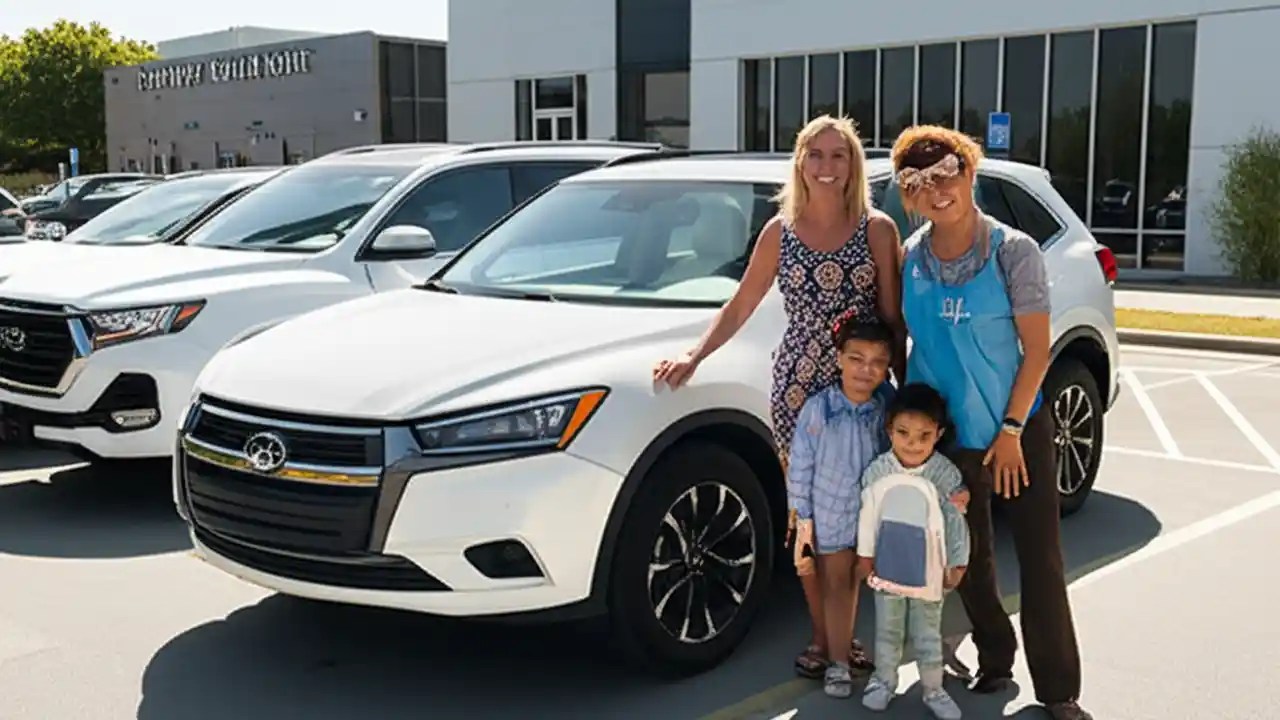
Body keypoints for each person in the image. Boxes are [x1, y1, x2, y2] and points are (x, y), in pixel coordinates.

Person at [653, 114, 906, 679]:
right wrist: (695, 356)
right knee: (808, 518)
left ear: (853, 165)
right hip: (796, 389)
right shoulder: (779, 231)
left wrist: (904, 397)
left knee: (857, 520)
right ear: (800, 162)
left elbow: (893, 319)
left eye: (838, 155)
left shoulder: (878, 230)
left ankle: (844, 634)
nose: (826, 166)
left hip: (860, 392)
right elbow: (741, 303)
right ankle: (822, 637)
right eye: (815, 154)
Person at [889, 125, 1091, 720]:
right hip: (947, 439)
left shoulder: (1013, 251)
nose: (937, 191)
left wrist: (1011, 431)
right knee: (968, 559)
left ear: (969, 172)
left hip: (1015, 432)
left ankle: (1059, 690)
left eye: (946, 175)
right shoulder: (911, 257)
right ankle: (995, 658)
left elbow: (1037, 351)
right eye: (918, 183)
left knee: (1040, 559)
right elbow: (907, 343)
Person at [786, 316, 894, 697]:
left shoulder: (883, 411)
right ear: (839, 359)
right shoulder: (819, 410)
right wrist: (804, 518)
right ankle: (838, 666)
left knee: (856, 582)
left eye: (877, 362)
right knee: (835, 585)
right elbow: (800, 465)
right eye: (856, 359)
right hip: (829, 513)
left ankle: (846, 648)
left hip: (866, 515)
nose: (866, 370)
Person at [855, 382, 970, 718]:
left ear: (939, 434)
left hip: (930, 570)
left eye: (924, 436)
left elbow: (956, 523)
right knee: (888, 629)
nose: (913, 444)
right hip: (887, 567)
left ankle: (933, 689)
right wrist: (864, 557)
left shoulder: (944, 474)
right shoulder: (878, 472)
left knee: (927, 632)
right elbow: (868, 518)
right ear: (889, 429)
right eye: (903, 433)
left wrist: (958, 562)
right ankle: (883, 681)